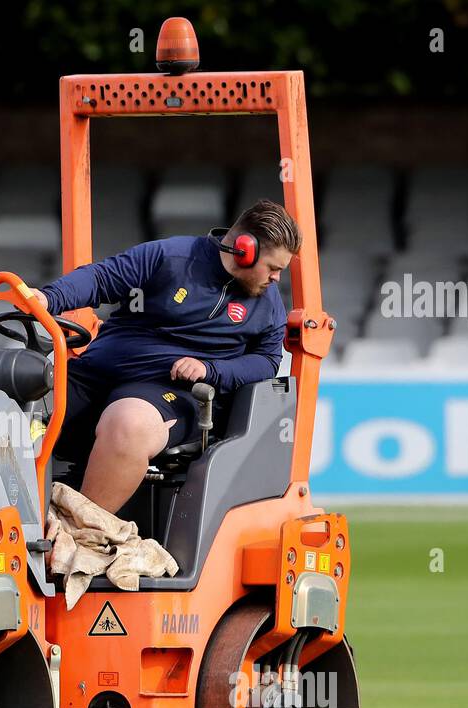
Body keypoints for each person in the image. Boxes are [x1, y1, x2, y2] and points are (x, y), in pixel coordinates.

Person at [31, 199, 301, 515]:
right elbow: (102, 278)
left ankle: (83, 538)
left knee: (128, 424)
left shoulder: (268, 306)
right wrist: (48, 298)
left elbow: (266, 362)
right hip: (95, 375)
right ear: (244, 249)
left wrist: (211, 369)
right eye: (273, 268)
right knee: (11, 407)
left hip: (169, 391)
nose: (276, 279)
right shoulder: (172, 257)